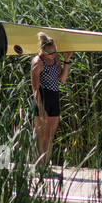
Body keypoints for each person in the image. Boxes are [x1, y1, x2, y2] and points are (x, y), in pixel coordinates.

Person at [31, 33, 72, 172]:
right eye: (50, 53)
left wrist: (66, 60)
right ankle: (37, 166)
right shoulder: (38, 62)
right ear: (42, 51)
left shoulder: (56, 59)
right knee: (40, 135)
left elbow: (62, 79)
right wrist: (40, 107)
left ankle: (45, 165)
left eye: (54, 51)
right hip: (42, 97)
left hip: (54, 97)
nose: (53, 54)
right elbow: (35, 88)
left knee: (50, 136)